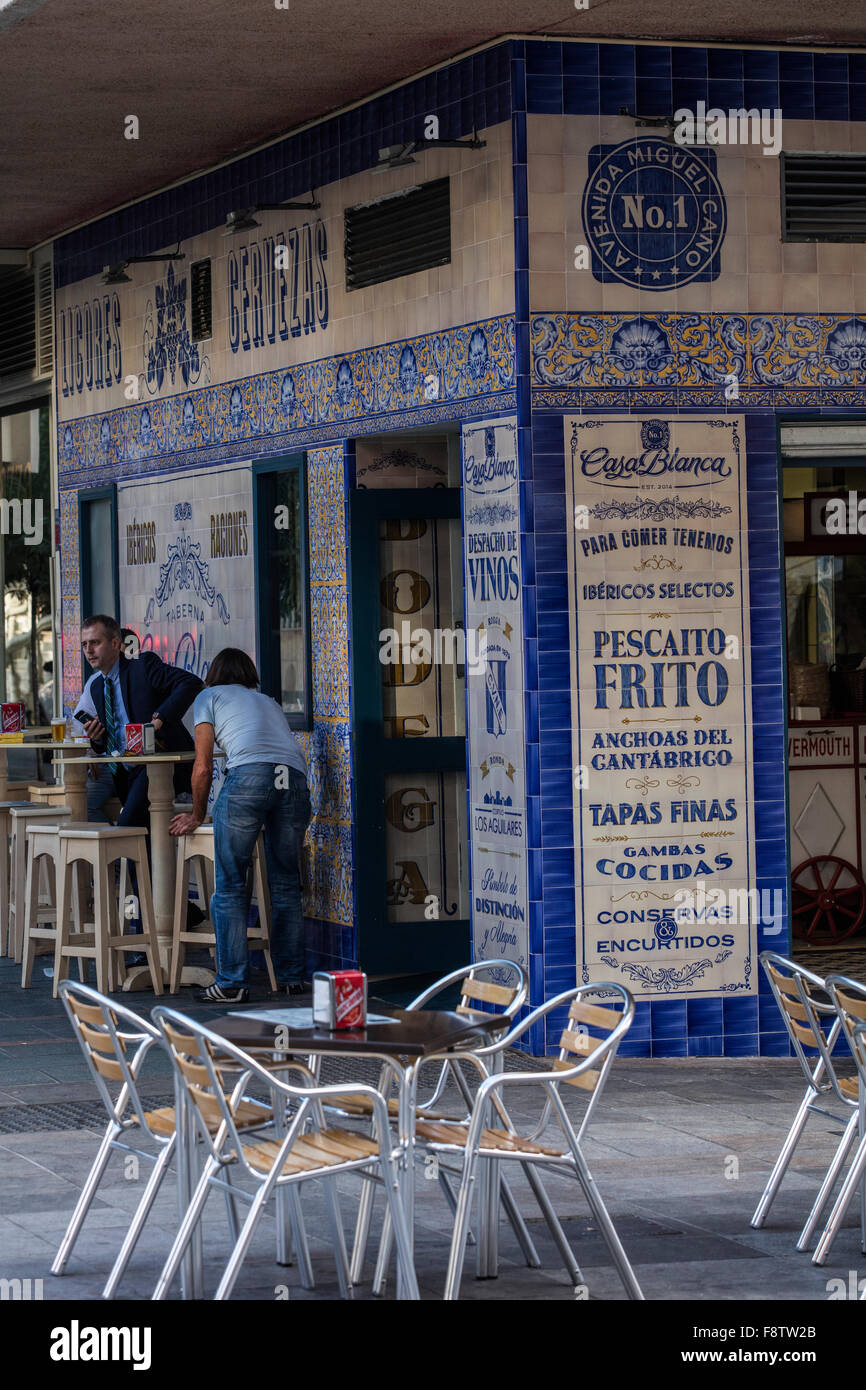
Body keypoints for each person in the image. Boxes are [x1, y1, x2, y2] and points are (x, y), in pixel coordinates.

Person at [169, 648, 311, 1004]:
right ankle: (292, 977)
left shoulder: (208, 696)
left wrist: (198, 814)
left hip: (249, 778)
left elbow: (202, 766)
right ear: (250, 674)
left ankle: (232, 983)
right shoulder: (268, 701)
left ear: (213, 673)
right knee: (287, 885)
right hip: (293, 780)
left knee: (231, 885)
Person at [76, 615, 203, 828]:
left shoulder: (141, 665)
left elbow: (191, 683)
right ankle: (139, 862)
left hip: (161, 763)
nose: (88, 650)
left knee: (127, 829)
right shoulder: (97, 686)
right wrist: (96, 739)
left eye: (95, 643)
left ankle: (122, 859)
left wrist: (158, 720)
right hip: (125, 772)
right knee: (141, 837)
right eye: (84, 644)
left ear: (116, 644)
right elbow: (107, 743)